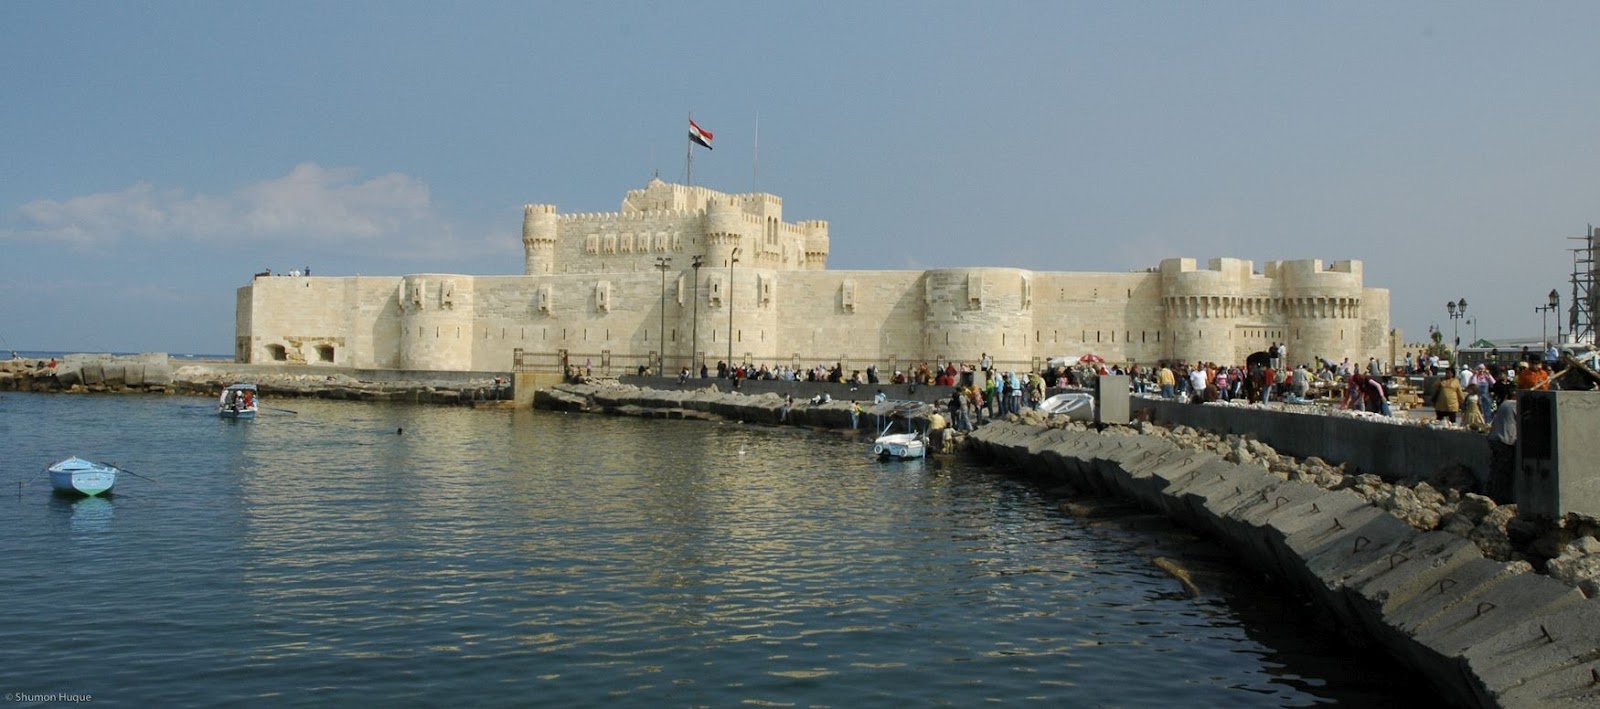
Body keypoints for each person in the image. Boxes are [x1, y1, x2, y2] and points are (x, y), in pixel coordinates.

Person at [1487, 389, 1518, 501]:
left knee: (1495, 469)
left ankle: (1490, 494)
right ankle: (1500, 498)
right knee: (1503, 472)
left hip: (1494, 439)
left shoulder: (1504, 404)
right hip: (1505, 442)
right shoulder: (1515, 406)